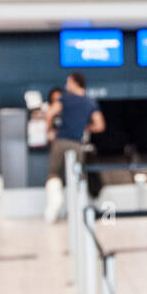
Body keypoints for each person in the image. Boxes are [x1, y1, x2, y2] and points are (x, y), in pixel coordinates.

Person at [43, 73, 105, 222]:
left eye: (68, 82)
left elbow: (49, 113)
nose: (66, 86)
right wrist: (85, 126)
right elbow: (100, 125)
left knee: (54, 174)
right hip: (78, 144)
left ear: (74, 82)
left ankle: (55, 203)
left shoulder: (65, 99)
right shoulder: (90, 102)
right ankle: (77, 208)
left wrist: (49, 131)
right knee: (77, 176)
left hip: (61, 140)